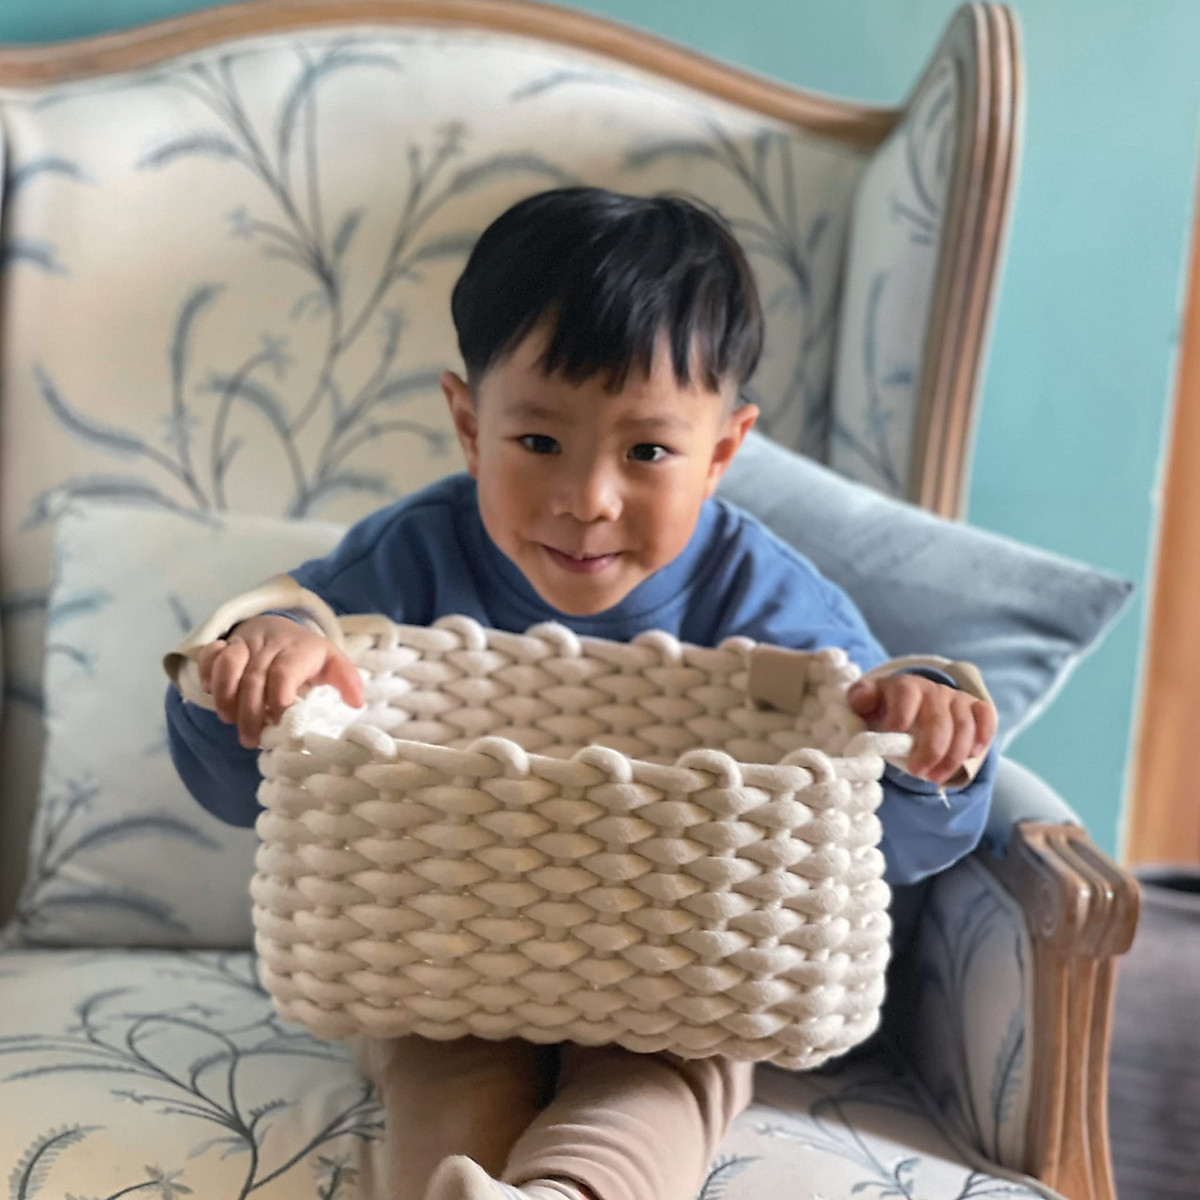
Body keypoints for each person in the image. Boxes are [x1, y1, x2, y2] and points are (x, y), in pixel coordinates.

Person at [164, 187, 998, 1200]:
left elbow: (883, 837)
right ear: (470, 428)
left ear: (724, 451)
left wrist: (923, 721)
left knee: (665, 1080)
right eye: (538, 443)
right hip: (437, 960)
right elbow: (246, 780)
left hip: (687, 981)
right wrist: (265, 659)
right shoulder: (408, 562)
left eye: (648, 451)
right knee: (442, 1058)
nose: (589, 497)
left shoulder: (771, 601)